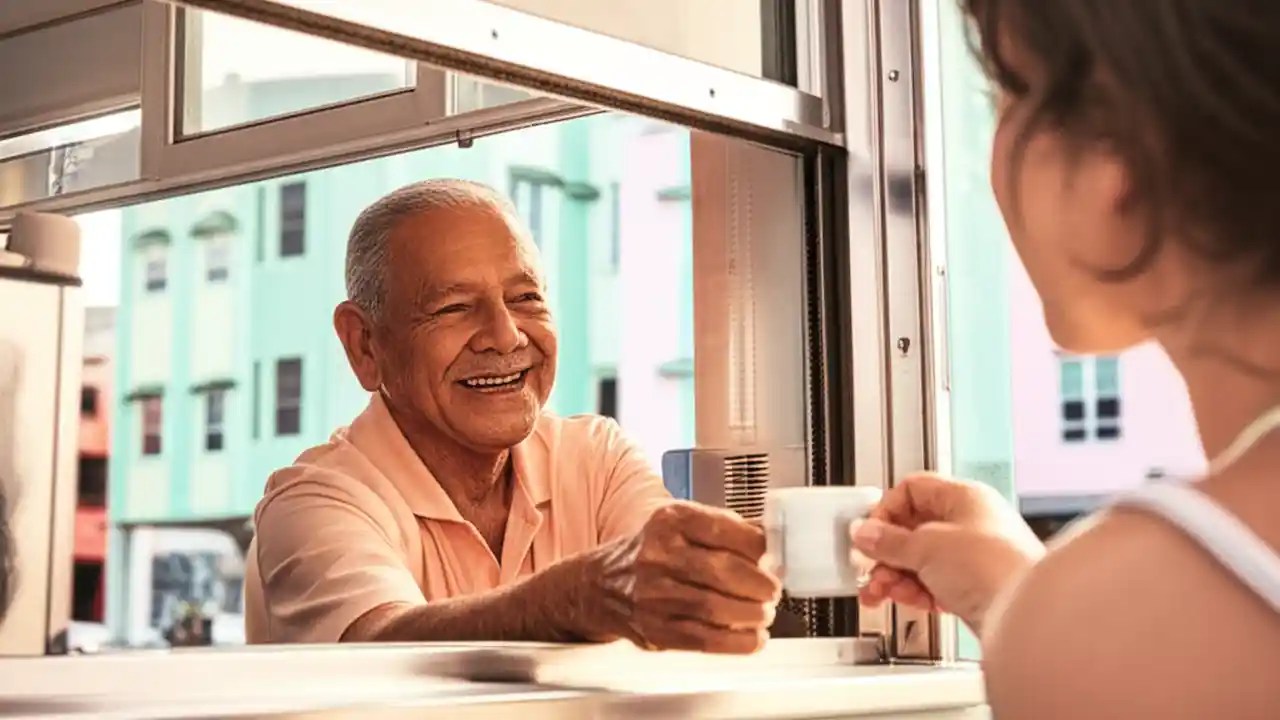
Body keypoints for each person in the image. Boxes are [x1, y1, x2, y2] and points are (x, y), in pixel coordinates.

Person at [849, 1, 1280, 718]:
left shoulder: (1102, 632)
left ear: (1117, 156)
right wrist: (1026, 598)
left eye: (1008, 93)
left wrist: (1057, 619)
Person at [243, 179, 779, 652]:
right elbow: (378, 648)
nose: (506, 335)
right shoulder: (311, 500)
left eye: (525, 298)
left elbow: (673, 590)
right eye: (453, 308)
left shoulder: (597, 459)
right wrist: (575, 599)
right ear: (365, 345)